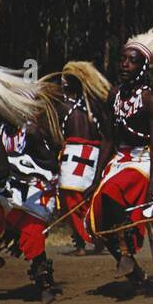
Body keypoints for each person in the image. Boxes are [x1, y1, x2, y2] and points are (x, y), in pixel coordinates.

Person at [86, 30, 153, 293]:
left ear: (142, 66)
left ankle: (126, 246)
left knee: (112, 194)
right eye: (122, 59)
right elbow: (108, 140)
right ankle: (131, 266)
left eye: (132, 60)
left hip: (143, 161)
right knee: (99, 215)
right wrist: (95, 177)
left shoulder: (148, 99)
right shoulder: (114, 94)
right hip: (120, 160)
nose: (124, 64)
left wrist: (151, 189)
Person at [0, 64, 62, 302]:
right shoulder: (1, 127)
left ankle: (43, 280)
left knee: (31, 231)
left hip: (34, 188)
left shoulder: (34, 132)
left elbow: (51, 166)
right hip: (6, 186)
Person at [51, 61, 110, 255]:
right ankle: (92, 238)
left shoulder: (71, 106)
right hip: (88, 156)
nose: (61, 81)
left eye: (65, 78)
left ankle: (85, 241)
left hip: (79, 156)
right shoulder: (92, 105)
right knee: (83, 199)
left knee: (73, 198)